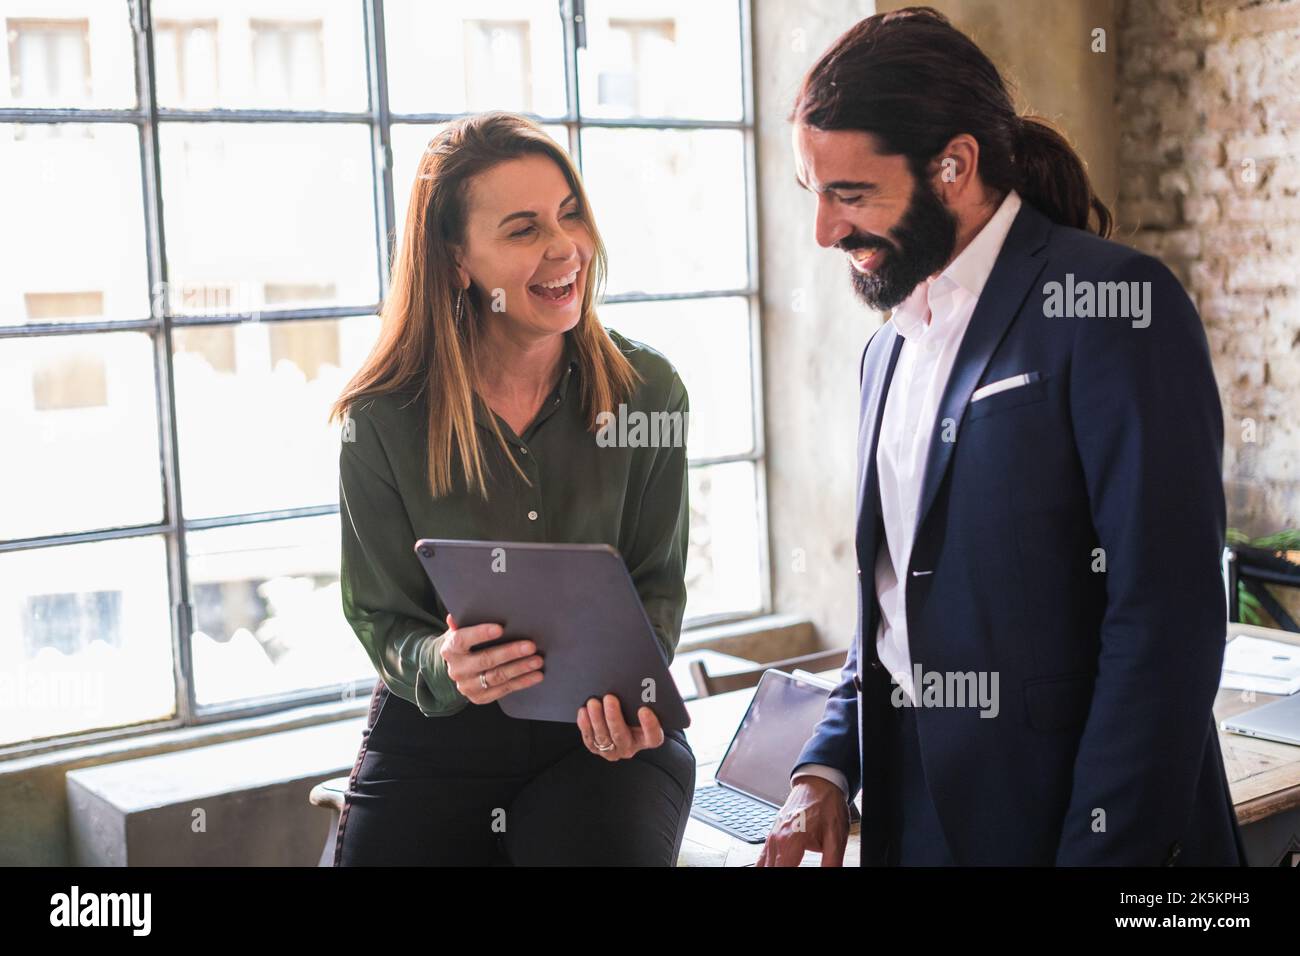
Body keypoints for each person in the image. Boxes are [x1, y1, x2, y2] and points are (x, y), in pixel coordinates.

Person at [760, 7, 1246, 866]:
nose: (825, 231)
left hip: (1074, 821)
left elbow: (1166, 621)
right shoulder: (884, 351)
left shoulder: (1114, 304)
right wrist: (827, 767)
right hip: (911, 821)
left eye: (851, 193)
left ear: (955, 165)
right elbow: (894, 607)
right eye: (815, 193)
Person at [328, 112, 694, 866]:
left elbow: (657, 582)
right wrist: (443, 662)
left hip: (604, 737)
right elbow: (381, 615)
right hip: (438, 735)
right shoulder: (381, 419)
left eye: (570, 215)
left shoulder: (649, 393)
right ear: (457, 261)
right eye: (523, 229)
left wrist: (638, 698)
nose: (565, 248)